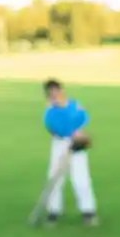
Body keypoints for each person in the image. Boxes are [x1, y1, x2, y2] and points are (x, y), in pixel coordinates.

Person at [42, 78, 98, 226]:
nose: (55, 96)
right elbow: (57, 129)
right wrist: (73, 133)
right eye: (51, 94)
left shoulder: (75, 105)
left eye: (56, 91)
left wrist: (80, 135)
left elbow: (84, 118)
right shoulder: (50, 112)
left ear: (62, 91)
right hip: (60, 145)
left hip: (77, 145)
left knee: (81, 179)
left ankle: (88, 211)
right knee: (55, 177)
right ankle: (54, 211)